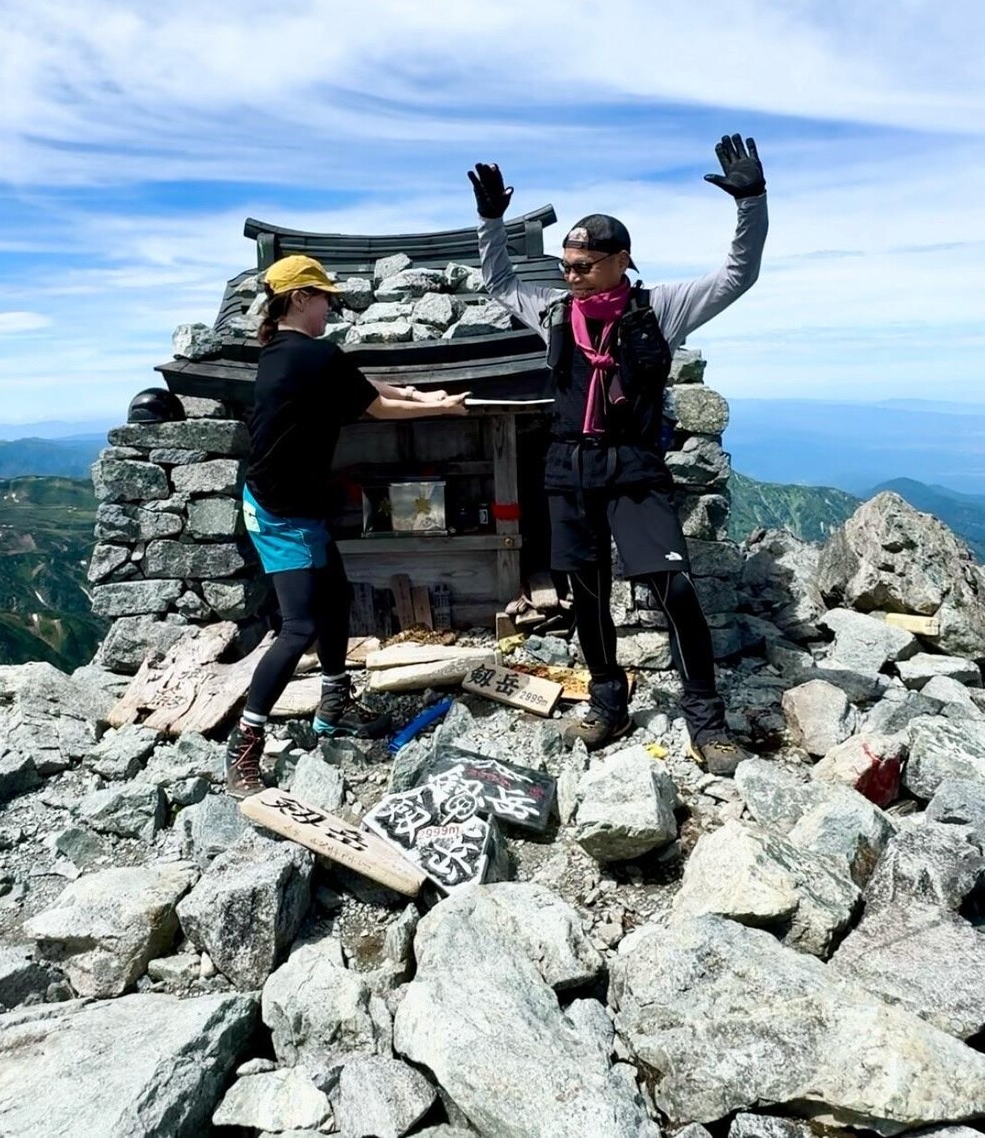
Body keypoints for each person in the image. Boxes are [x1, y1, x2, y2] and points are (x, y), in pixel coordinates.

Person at [468, 135, 768, 773]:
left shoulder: (659, 308)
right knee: (583, 592)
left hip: (632, 466)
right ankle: (608, 700)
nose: (570, 278)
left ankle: (706, 722)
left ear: (620, 260)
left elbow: (738, 275)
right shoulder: (554, 310)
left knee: (674, 589)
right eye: (566, 267)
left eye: (582, 266)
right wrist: (490, 222)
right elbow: (497, 283)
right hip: (566, 467)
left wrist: (752, 202)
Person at [225, 253, 469, 798]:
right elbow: (373, 407)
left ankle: (333, 705)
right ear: (299, 299)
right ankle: (244, 745)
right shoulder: (309, 355)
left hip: (295, 505)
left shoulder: (287, 352)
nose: (332, 306)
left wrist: (413, 393)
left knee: (334, 599)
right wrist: (438, 408)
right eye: (325, 297)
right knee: (298, 628)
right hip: (279, 513)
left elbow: (358, 384)